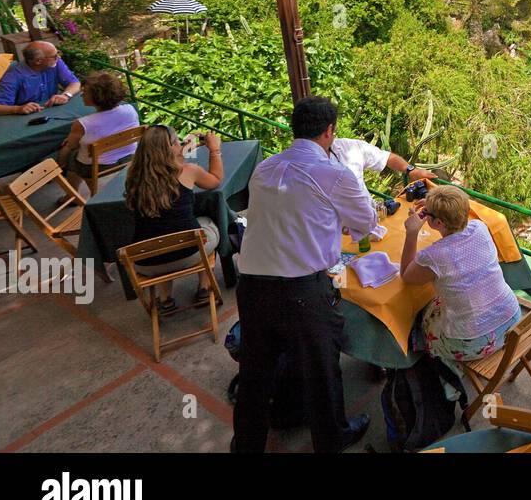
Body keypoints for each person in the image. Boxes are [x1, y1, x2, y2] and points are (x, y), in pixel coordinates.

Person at [232, 95, 377, 453]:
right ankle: (331, 439)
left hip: (250, 284)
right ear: (330, 132)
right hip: (301, 290)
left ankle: (245, 445)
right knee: (322, 369)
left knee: (255, 371)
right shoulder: (335, 174)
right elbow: (366, 222)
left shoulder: (265, 168)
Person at [399, 184, 522, 390]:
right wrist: (435, 207)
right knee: (442, 298)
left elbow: (407, 276)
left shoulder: (434, 256)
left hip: (473, 343)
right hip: (512, 320)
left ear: (437, 222)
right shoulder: (480, 228)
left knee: (421, 317)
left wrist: (411, 233)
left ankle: (447, 373)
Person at [124, 125, 223, 314]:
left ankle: (165, 298)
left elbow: (161, 160)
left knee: (159, 234)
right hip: (189, 253)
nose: (181, 144)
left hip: (146, 263)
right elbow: (215, 180)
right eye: (177, 141)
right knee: (208, 221)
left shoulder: (132, 176)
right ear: (169, 148)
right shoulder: (188, 171)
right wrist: (215, 150)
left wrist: (185, 148)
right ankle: (204, 286)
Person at [57, 72, 140, 196]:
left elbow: (70, 146)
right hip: (130, 157)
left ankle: (72, 196)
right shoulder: (130, 109)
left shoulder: (83, 124)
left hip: (99, 167)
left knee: (71, 158)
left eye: (84, 92)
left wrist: (59, 165)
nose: (81, 95)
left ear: (97, 98)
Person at [0, 41, 81, 116]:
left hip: (52, 112)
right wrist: (17, 109)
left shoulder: (55, 62)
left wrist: (66, 95)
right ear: (38, 61)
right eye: (54, 56)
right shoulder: (13, 76)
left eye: (57, 53)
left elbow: (75, 83)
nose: (58, 57)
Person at [329, 135, 434, 197]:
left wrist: (411, 170)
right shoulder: (315, 164)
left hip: (367, 219)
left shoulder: (349, 146)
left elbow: (386, 157)